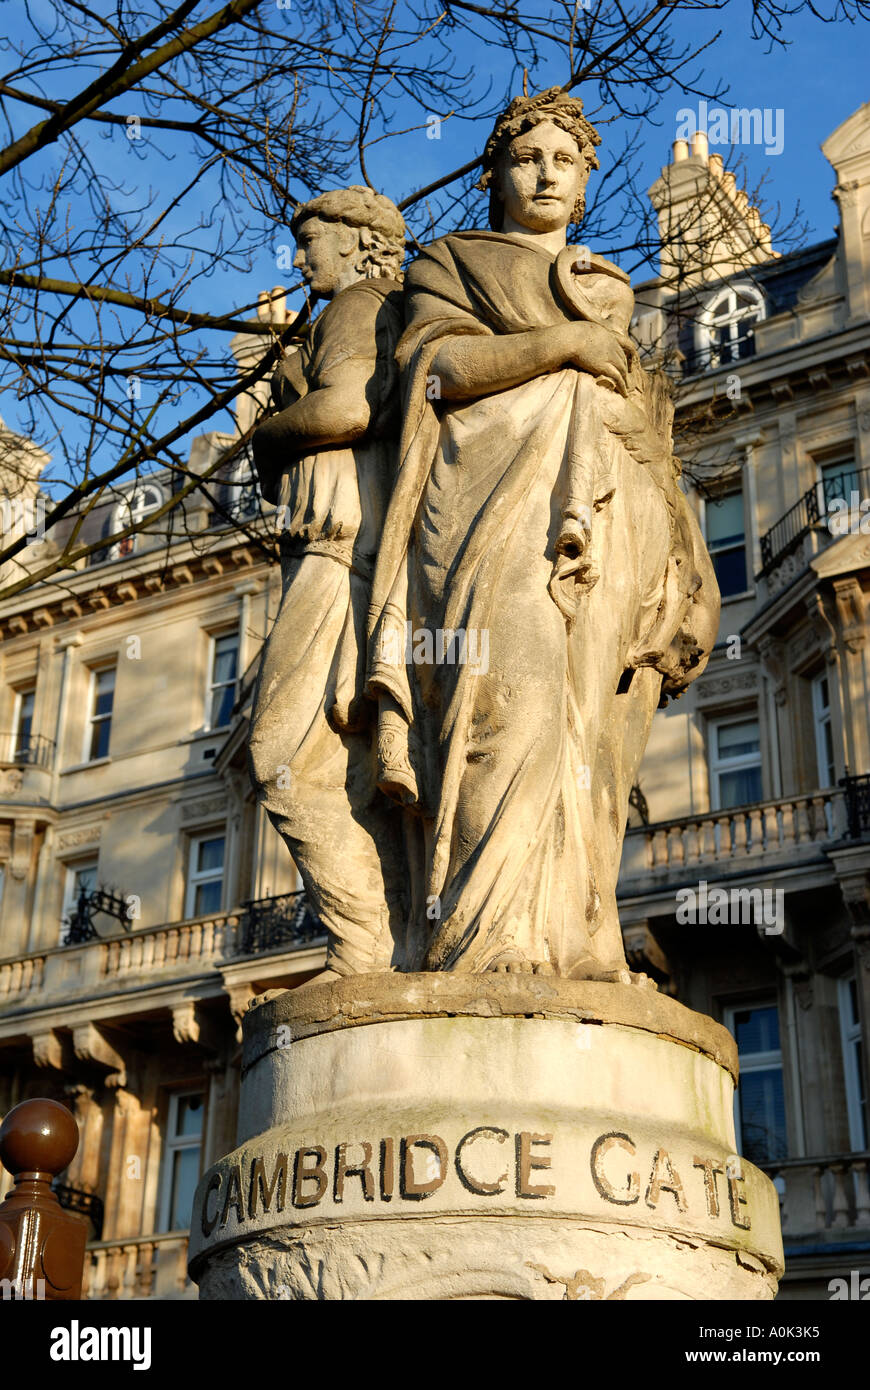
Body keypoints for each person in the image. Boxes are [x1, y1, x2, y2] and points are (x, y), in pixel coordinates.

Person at [367, 90, 720, 979]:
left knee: (593, 731)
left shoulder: (610, 290)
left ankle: (579, 938)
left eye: (566, 160)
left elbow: (647, 439)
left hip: (607, 532)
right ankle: (485, 944)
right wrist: (559, 350)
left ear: (588, 183)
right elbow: (438, 372)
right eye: (528, 156)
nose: (547, 172)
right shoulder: (450, 263)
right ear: (495, 173)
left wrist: (688, 560)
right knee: (505, 705)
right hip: (491, 516)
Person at [249, 186, 408, 979]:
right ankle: (382, 940)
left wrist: (266, 436)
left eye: (313, 238)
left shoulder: (358, 304)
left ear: (356, 241)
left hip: (338, 547)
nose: (302, 254)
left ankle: (363, 947)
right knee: (341, 761)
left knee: (280, 755)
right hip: (349, 547)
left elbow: (344, 408)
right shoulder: (375, 306)